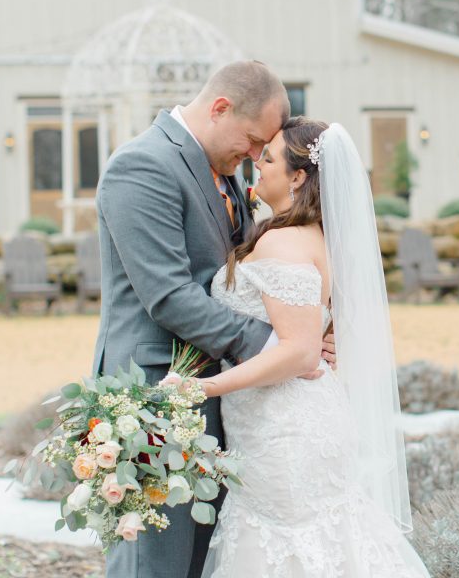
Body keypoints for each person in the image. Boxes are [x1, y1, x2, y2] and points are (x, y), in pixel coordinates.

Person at [92, 61, 334, 578]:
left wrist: (308, 337)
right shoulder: (143, 165)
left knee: (205, 557)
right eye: (251, 141)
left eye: (262, 148)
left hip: (225, 391)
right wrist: (279, 345)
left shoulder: (221, 173)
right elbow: (170, 295)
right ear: (220, 108)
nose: (253, 157)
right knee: (154, 561)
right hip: (158, 389)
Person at [197, 117, 429, 578]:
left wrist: (204, 388)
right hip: (289, 422)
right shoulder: (319, 238)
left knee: (293, 551)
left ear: (299, 176)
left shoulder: (282, 242)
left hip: (285, 431)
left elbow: (300, 352)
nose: (255, 164)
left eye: (268, 158)